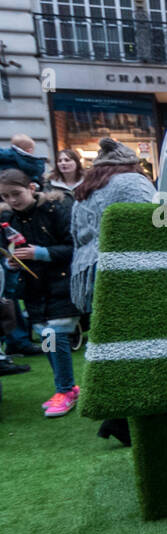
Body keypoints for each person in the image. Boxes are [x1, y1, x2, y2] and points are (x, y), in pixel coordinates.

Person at [0, 168, 77, 416]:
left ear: (31, 188)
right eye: (5, 196)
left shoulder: (55, 209)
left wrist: (39, 253)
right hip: (33, 288)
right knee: (48, 339)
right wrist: (12, 262)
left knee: (54, 337)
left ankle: (65, 389)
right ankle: (65, 389)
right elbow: (10, 252)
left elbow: (73, 247)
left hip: (61, 284)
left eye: (16, 193)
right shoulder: (9, 219)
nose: (12, 200)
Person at [69, 138, 157, 315]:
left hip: (88, 268)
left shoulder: (85, 190)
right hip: (124, 267)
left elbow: (75, 235)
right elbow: (151, 220)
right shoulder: (134, 182)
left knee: (104, 325)